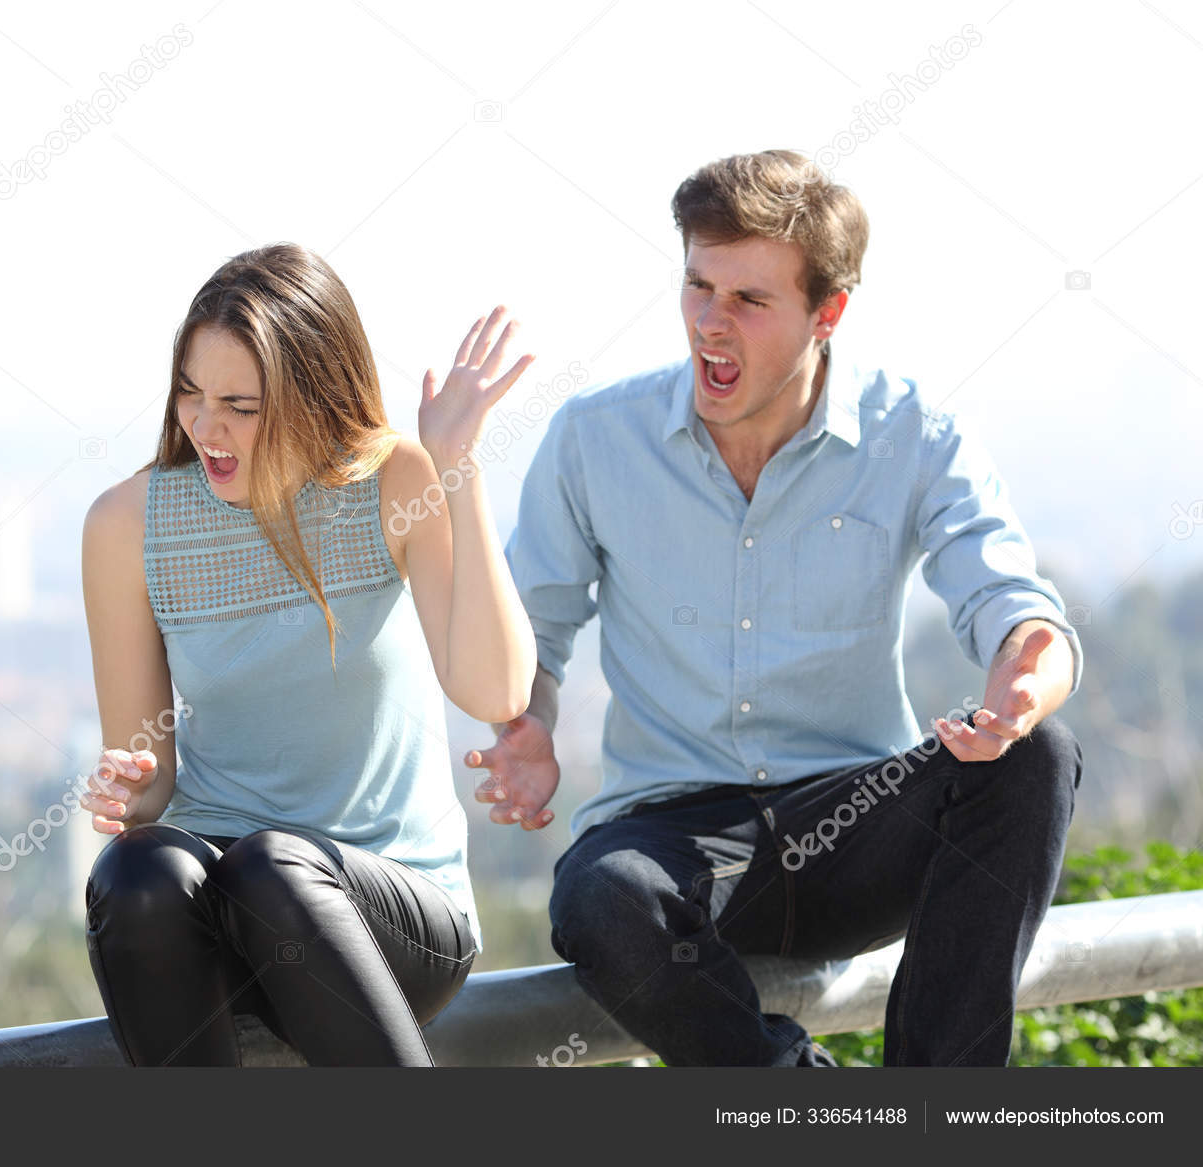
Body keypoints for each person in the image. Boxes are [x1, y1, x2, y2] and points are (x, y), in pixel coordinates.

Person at [467, 150, 1085, 1067]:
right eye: (698, 285)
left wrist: (1025, 674)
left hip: (858, 819)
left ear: (827, 313)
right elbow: (534, 640)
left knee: (1039, 755)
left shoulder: (912, 431)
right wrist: (530, 724)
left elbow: (1012, 602)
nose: (712, 324)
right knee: (602, 897)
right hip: (675, 836)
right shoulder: (595, 438)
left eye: (750, 301)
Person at [79, 242, 537, 1066]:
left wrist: (456, 468)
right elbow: (150, 787)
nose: (205, 427)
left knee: (272, 868)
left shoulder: (395, 479)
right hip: (224, 912)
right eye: (190, 392)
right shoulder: (126, 526)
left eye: (240, 406)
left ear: (313, 397)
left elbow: (497, 688)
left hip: (393, 917)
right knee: (137, 874)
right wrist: (129, 791)